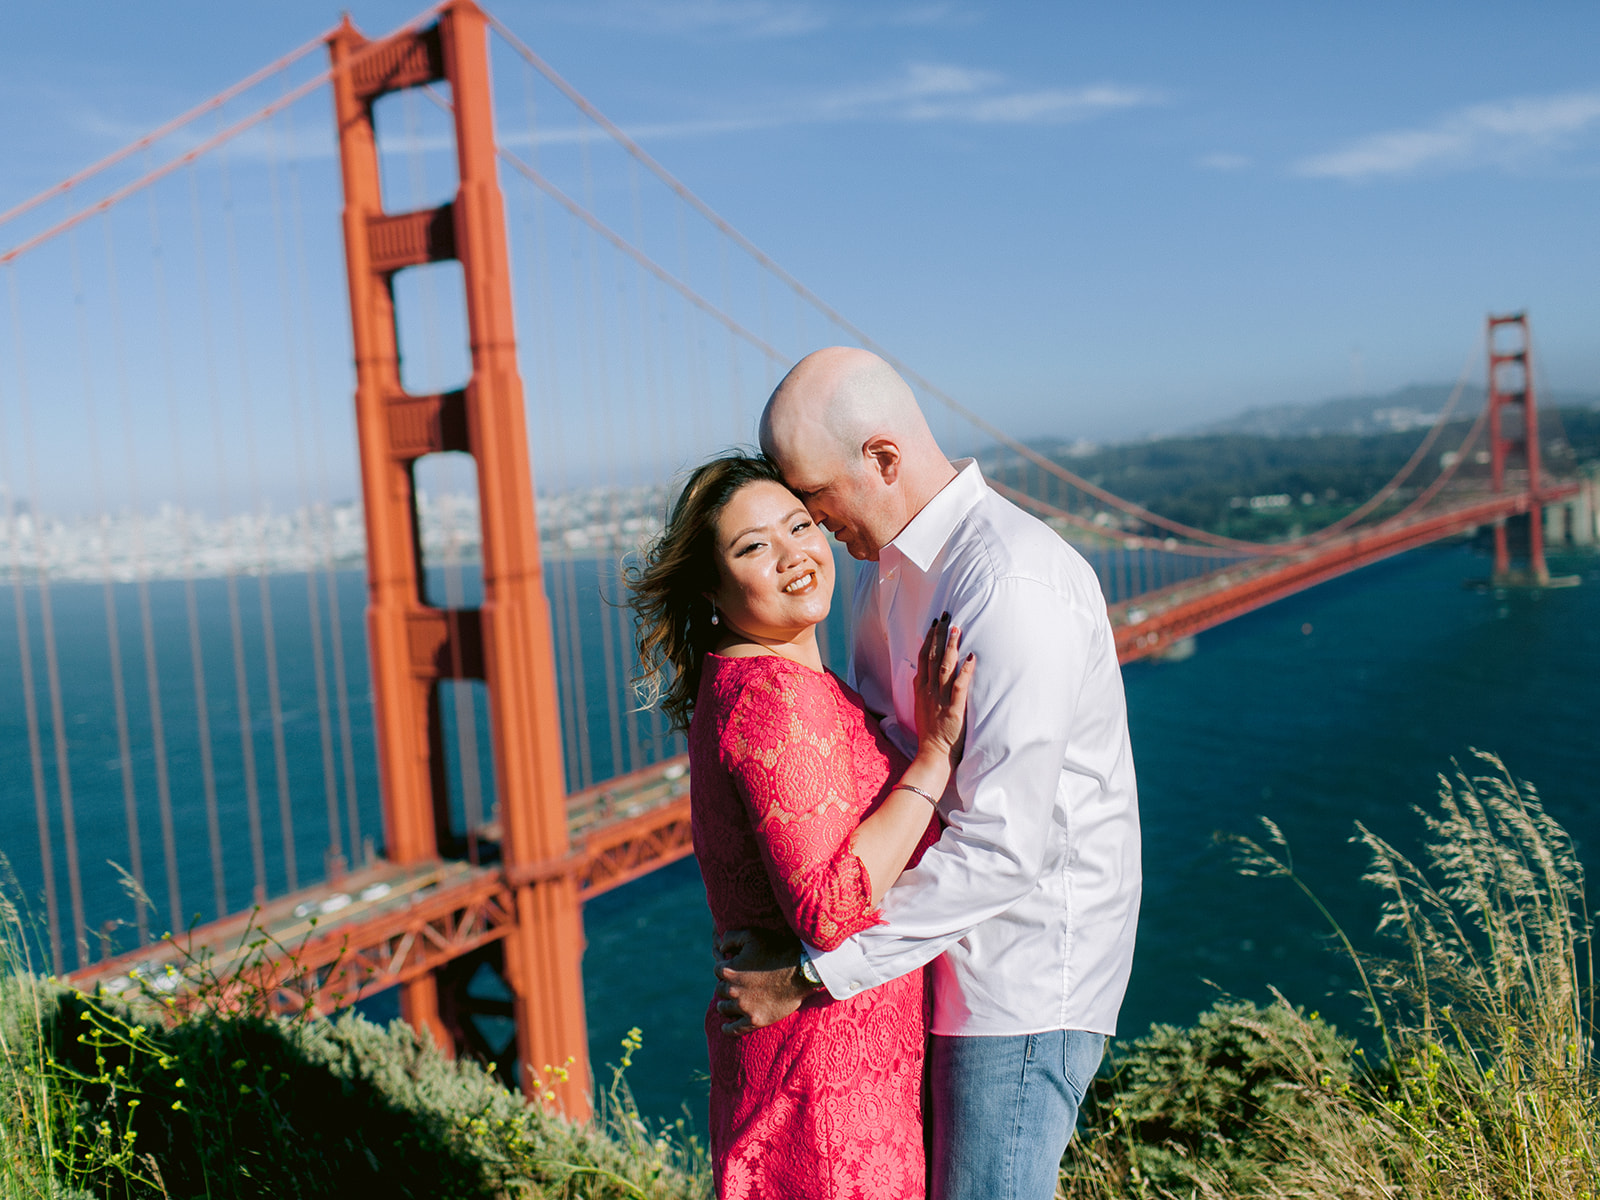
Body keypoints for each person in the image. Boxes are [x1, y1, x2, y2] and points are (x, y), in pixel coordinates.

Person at [715, 348, 1142, 1200]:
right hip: (927, 966)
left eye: (815, 497)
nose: (812, 524)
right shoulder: (885, 578)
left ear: (882, 458)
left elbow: (1004, 849)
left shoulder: (1012, 585)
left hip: (1018, 984)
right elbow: (878, 770)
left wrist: (809, 974)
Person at [627, 452, 976, 1200]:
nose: (793, 556)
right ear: (710, 587)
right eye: (753, 546)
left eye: (799, 526)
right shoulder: (774, 697)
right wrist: (933, 758)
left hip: (817, 1073)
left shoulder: (747, 679)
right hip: (826, 1095)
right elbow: (827, 907)